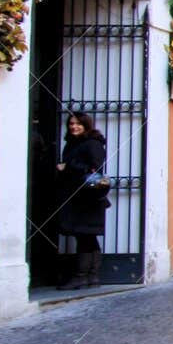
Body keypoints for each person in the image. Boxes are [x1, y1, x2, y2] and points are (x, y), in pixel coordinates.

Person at [56, 111, 110, 289]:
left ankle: (83, 276)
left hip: (88, 197)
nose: (74, 126)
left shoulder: (92, 144)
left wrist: (68, 166)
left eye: (78, 124)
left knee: (85, 236)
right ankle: (91, 277)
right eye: (71, 123)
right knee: (87, 237)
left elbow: (96, 169)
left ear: (86, 125)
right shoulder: (72, 144)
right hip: (79, 197)